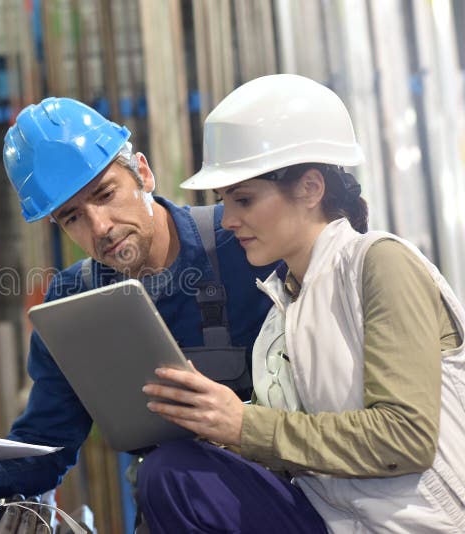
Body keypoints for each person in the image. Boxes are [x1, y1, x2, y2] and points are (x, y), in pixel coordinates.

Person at [0, 97, 277, 503]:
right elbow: (46, 447)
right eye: (72, 217)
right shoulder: (73, 300)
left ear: (143, 173)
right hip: (175, 503)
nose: (100, 227)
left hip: (282, 491)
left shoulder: (242, 240)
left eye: (105, 194)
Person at [138, 73, 465, 533]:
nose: (228, 220)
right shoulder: (280, 316)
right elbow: (292, 452)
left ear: (310, 188)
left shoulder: (379, 264)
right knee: (172, 472)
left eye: (244, 199)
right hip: (336, 524)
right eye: (224, 201)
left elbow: (405, 437)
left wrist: (245, 425)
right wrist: (210, 424)